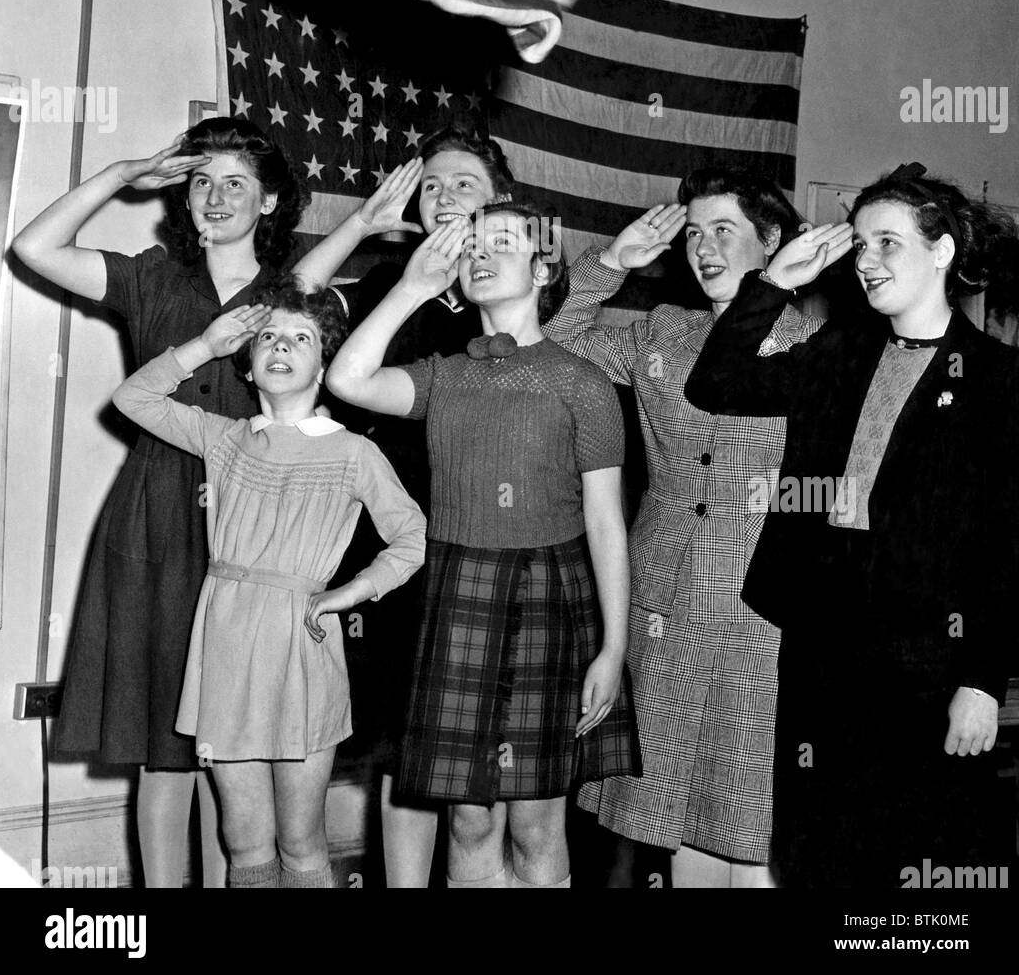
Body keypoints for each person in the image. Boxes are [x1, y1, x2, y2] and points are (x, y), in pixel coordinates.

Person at [685, 162, 1019, 887]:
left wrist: (983, 681)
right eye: (859, 244)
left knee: (910, 854)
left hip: (927, 661)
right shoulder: (843, 349)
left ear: (942, 252)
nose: (866, 261)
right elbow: (717, 383)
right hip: (823, 643)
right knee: (813, 847)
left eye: (887, 243)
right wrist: (772, 283)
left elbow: (1005, 550)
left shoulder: (999, 381)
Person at [12, 118, 307, 888]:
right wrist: (121, 169)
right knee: (165, 749)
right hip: (156, 517)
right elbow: (33, 248)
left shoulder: (297, 296)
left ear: (269, 202)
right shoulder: (150, 276)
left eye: (235, 181)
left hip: (255, 521)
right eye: (201, 180)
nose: (214, 196)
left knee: (233, 745)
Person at [326, 202, 638, 887]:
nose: (481, 255)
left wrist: (614, 649)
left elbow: (607, 523)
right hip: (459, 593)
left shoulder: (581, 381)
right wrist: (411, 286)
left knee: (535, 822)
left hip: (550, 598)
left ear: (543, 264)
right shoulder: (444, 375)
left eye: (502, 242)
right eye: (470, 247)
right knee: (469, 819)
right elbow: (346, 380)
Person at [545, 169, 820, 887]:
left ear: (775, 242)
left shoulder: (821, 349)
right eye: (694, 232)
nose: (703, 246)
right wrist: (612, 263)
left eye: (723, 230)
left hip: (762, 612)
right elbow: (550, 346)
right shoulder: (664, 328)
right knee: (657, 823)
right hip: (662, 601)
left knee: (746, 825)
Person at [112, 279, 425, 888]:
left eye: (301, 338)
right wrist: (202, 346)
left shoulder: (354, 452)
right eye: (268, 337)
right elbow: (134, 397)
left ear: (323, 363)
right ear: (250, 365)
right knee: (243, 839)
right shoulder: (224, 437)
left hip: (302, 643)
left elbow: (411, 537)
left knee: (302, 839)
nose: (281, 346)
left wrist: (351, 592)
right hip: (226, 641)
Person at [294, 124, 514, 887]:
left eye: (465, 185)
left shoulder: (517, 292)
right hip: (394, 543)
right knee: (399, 745)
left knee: (475, 763)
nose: (446, 198)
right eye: (432, 186)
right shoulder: (388, 286)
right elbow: (291, 311)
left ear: (502, 204)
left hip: (490, 539)